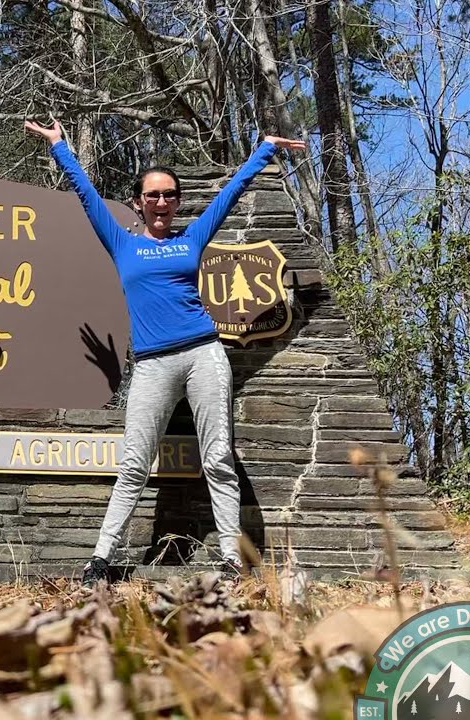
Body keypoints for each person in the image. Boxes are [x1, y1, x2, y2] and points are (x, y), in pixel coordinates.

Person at [23, 119, 306, 585]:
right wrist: (59, 146)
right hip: (153, 364)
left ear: (177, 202)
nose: (161, 202)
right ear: (138, 202)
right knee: (134, 463)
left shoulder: (190, 238)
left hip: (203, 355)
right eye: (152, 195)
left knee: (218, 458)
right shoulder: (122, 242)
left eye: (169, 195)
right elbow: (86, 195)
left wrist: (263, 151)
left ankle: (231, 561)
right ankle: (101, 560)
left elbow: (229, 195)